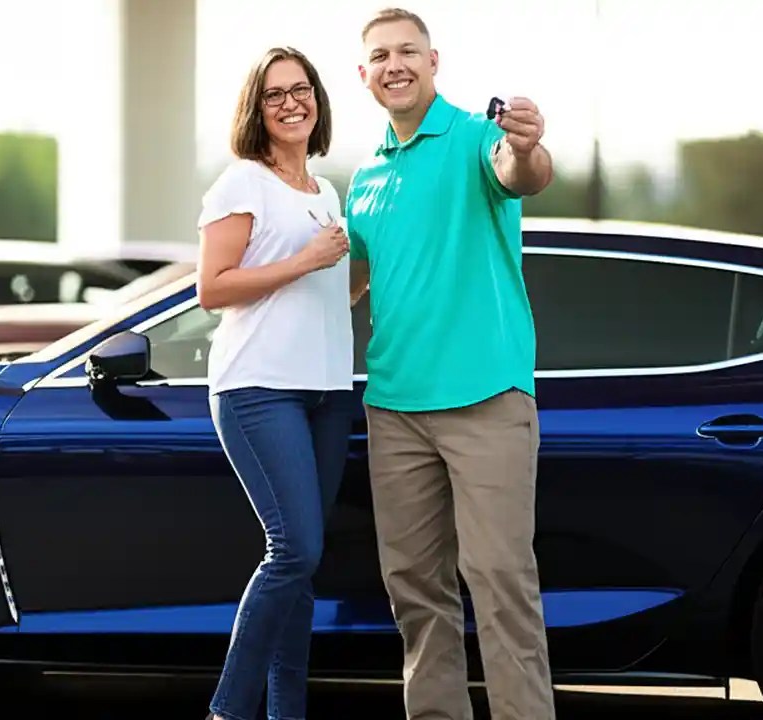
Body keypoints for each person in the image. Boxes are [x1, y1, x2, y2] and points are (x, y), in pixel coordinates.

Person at [343, 8, 556, 720]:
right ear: (363, 73)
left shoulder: (475, 137)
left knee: (500, 583)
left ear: (435, 62)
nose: (394, 64)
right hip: (395, 408)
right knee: (414, 590)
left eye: (408, 51)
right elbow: (350, 287)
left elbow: (521, 172)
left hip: (485, 401)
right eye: (380, 55)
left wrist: (527, 144)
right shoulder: (365, 177)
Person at [196, 46, 359, 720]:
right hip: (258, 388)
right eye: (275, 95)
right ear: (256, 111)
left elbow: (327, 293)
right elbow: (213, 288)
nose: (291, 103)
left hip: (325, 391)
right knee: (294, 548)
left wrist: (364, 268)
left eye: (302, 90)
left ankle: (285, 713)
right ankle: (228, 711)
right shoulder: (241, 183)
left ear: (318, 99)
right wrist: (304, 259)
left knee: (302, 569)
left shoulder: (325, 192)